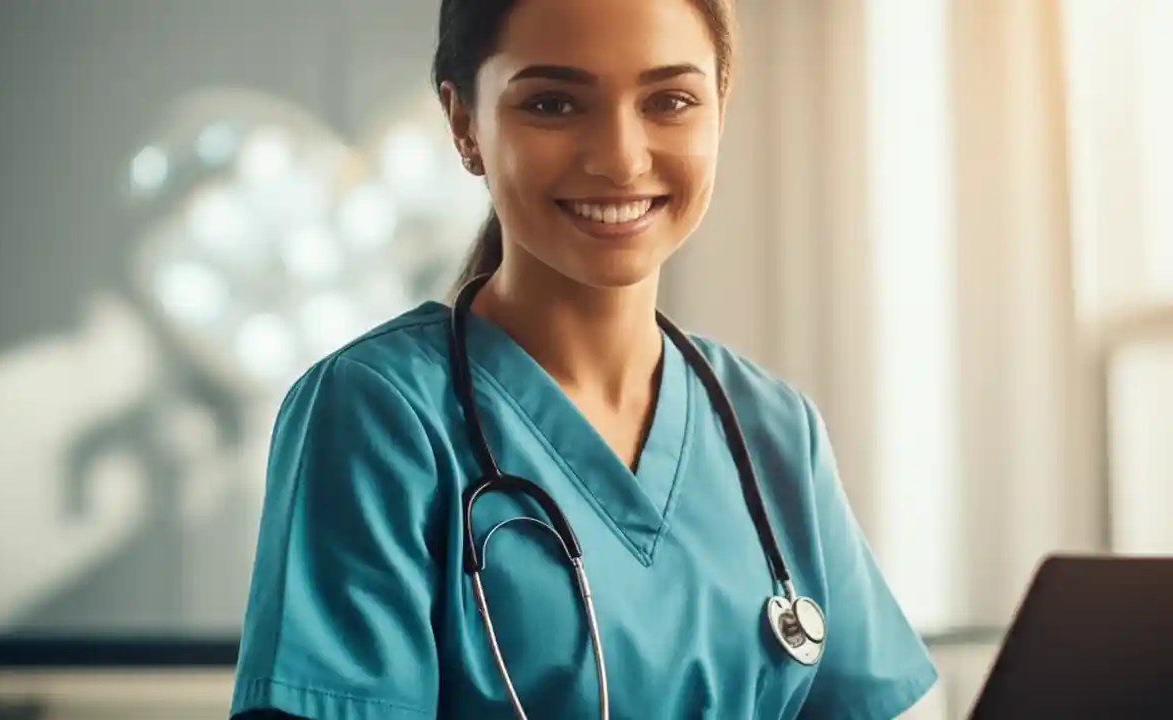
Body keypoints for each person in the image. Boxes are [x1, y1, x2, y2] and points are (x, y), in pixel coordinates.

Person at [229, 0, 938, 717]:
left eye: (670, 100)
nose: (621, 158)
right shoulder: (377, 413)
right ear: (463, 123)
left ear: (720, 108)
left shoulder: (775, 431)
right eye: (553, 103)